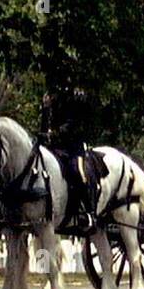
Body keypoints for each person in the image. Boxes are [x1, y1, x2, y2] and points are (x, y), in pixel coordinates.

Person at [40, 87, 100, 229]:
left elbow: (74, 122)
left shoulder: (76, 95)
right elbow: (45, 122)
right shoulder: (50, 95)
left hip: (72, 147)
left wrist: (54, 134)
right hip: (52, 147)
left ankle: (87, 212)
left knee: (78, 172)